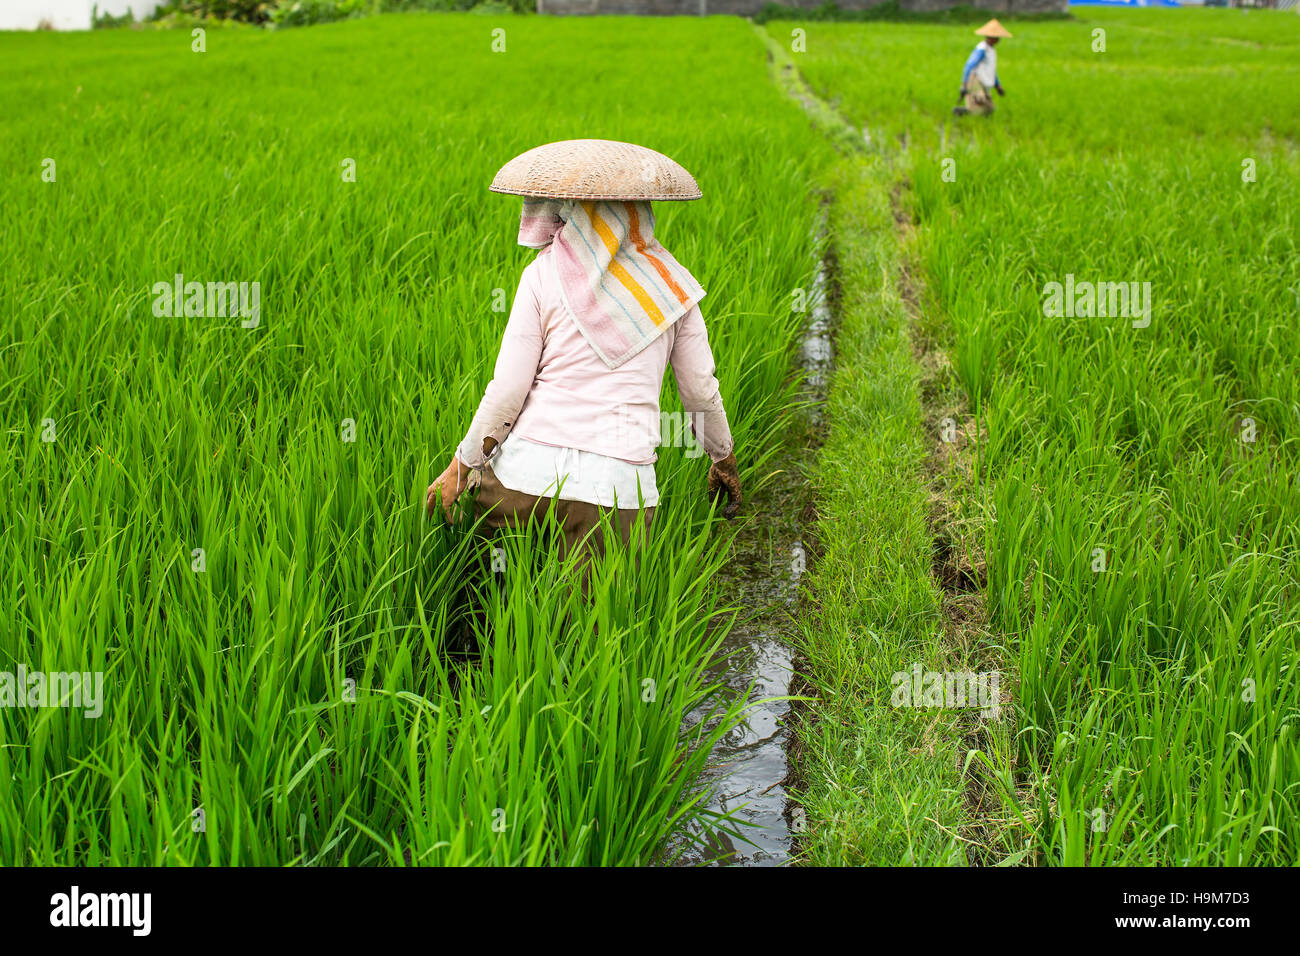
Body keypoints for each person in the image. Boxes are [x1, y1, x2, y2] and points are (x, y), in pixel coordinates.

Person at [425, 139, 742, 559]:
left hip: (520, 484)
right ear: (640, 211)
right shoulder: (674, 289)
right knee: (595, 624)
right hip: (615, 495)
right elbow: (700, 392)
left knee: (494, 616)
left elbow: (507, 391)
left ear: (569, 209)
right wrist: (723, 459)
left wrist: (460, 468)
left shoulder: (543, 274)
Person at [954, 20, 1012, 118]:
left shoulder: (991, 50)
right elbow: (969, 65)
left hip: (984, 81)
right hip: (975, 80)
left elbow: (992, 71)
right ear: (990, 37)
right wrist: (964, 84)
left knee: (989, 109)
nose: (998, 40)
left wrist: (998, 86)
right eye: (996, 37)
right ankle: (958, 112)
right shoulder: (982, 49)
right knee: (977, 109)